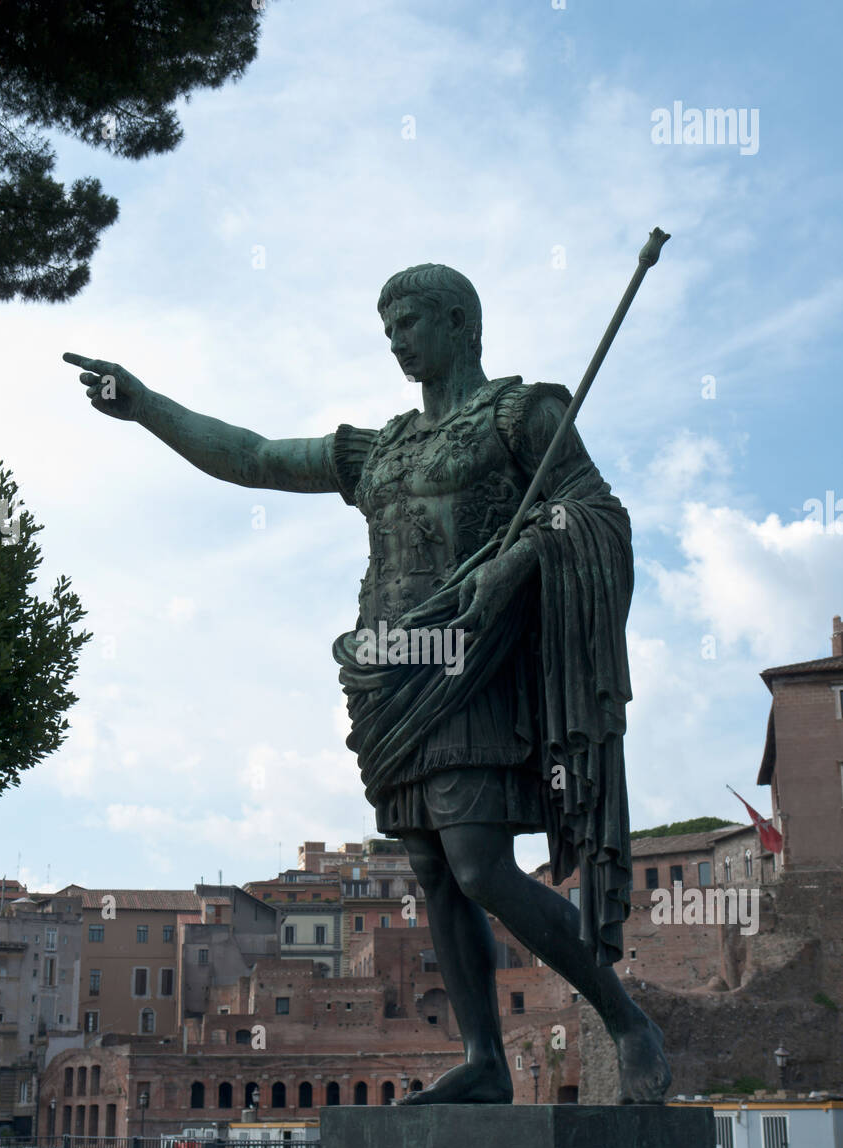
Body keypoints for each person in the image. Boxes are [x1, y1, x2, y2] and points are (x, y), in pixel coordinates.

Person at [64, 262, 671, 1104]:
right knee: (430, 868)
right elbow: (256, 457)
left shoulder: (521, 415)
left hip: (470, 663)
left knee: (481, 864)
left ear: (461, 322)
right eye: (387, 327)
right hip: (390, 672)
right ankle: (486, 1061)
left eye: (411, 321)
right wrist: (147, 408)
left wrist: (518, 563)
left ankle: (628, 1020)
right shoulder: (380, 448)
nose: (396, 339)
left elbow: (592, 513)